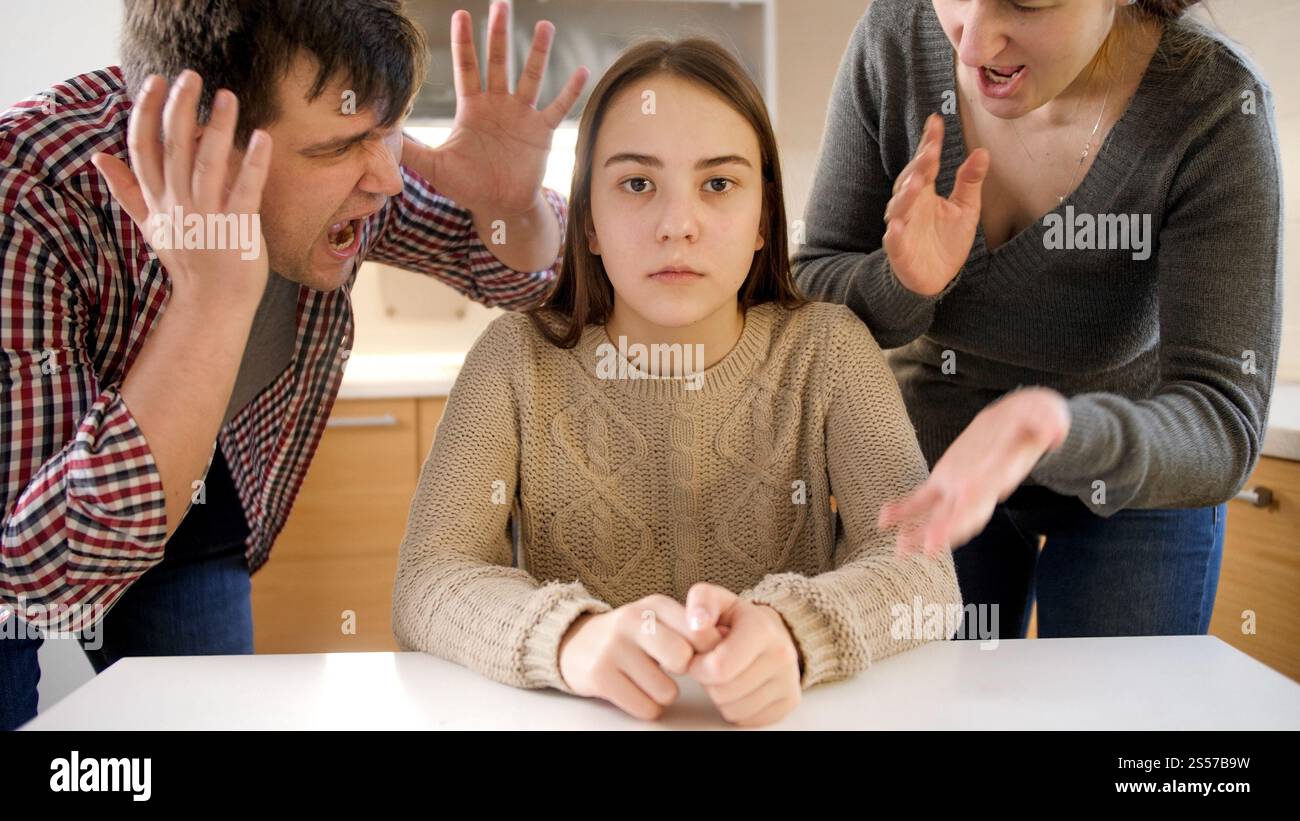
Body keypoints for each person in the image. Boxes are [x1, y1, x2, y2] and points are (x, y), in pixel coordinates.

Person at [0, 0, 581, 729]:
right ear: (210, 142)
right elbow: (37, 593)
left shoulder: (350, 172)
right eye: (338, 147)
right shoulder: (31, 197)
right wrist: (209, 305)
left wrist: (514, 211)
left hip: (201, 514)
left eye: (388, 129)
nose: (387, 179)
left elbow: (522, 279)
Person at [391, 37, 963, 727]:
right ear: (589, 221)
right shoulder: (514, 359)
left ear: (762, 220)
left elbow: (926, 576)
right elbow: (428, 579)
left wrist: (792, 631)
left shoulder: (830, 349)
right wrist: (571, 638)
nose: (677, 225)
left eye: (718, 184)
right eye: (637, 184)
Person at [796, 0, 1282, 641]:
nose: (970, 48)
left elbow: (1222, 422)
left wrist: (1057, 430)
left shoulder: (1215, 104)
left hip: (1133, 482)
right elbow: (813, 288)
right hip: (935, 462)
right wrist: (905, 283)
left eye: (1024, 3)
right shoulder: (892, 39)